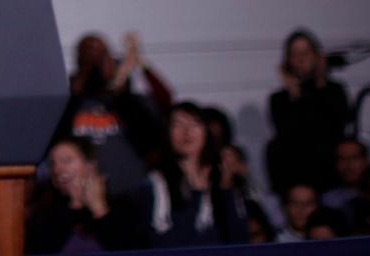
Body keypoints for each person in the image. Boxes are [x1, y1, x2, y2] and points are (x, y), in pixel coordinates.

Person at [54, 33, 170, 194]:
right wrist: (75, 93)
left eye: (101, 54)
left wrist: (118, 89)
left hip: (130, 192)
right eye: (87, 53)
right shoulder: (66, 103)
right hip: (78, 194)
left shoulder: (132, 101)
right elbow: (55, 139)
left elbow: (151, 139)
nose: (94, 59)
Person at [136, 102, 248, 248]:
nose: (187, 131)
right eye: (178, 124)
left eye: (194, 123)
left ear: (206, 131)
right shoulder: (157, 182)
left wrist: (226, 189)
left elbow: (240, 239)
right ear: (167, 133)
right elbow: (165, 243)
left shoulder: (221, 177)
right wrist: (197, 194)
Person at [266, 28, 349, 193]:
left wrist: (321, 82)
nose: (301, 59)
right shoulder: (279, 99)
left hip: (330, 171)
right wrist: (294, 94)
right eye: (295, 54)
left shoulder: (334, 90)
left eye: (306, 52)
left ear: (318, 56)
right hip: (297, 174)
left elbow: (334, 127)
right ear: (288, 61)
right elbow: (291, 134)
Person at [25, 137, 143, 253]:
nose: (57, 169)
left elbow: (131, 249)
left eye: (67, 160)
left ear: (90, 165)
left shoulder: (122, 207)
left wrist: (99, 208)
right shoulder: (46, 215)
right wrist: (75, 204)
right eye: (53, 163)